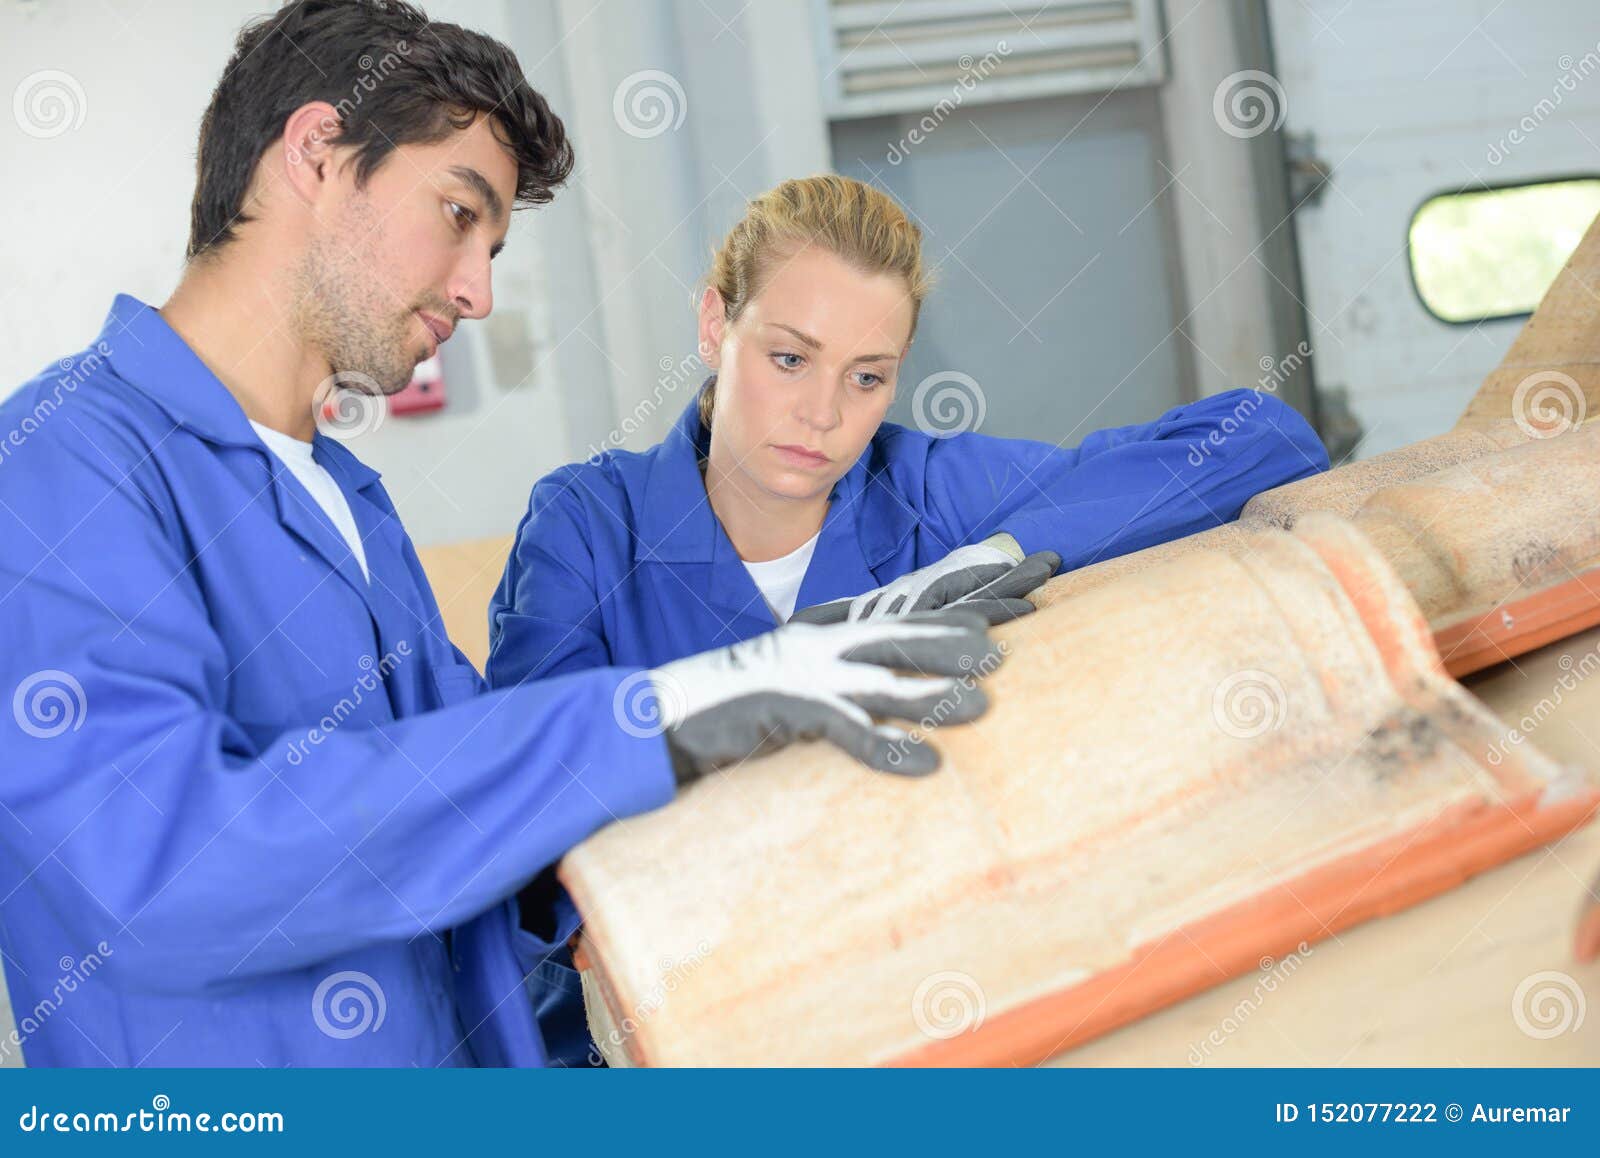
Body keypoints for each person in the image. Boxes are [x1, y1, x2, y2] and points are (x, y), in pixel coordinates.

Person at [0, 0, 999, 1068]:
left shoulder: (350, 508)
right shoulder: (57, 462)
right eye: (458, 212)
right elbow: (157, 870)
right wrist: (663, 713)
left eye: (494, 242)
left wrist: (775, 717)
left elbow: (487, 829)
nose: (477, 291)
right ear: (317, 153)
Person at [484, 174, 1332, 1061]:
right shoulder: (588, 524)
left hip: (886, 1007)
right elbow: (533, 808)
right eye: (788, 358)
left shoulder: (922, 492)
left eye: (867, 376)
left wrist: (998, 554)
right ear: (713, 326)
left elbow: (1261, 439)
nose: (823, 413)